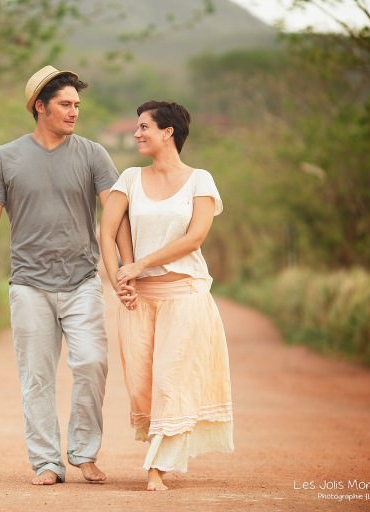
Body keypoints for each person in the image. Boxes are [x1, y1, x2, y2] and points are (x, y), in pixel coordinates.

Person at [0, 65, 119, 485]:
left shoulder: (93, 154)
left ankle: (84, 452)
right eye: (65, 104)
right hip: (29, 286)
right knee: (36, 377)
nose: (74, 112)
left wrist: (123, 269)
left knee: (92, 363)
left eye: (77, 105)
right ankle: (47, 462)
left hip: (82, 282)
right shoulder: (6, 157)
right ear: (40, 107)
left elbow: (113, 215)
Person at [100, 100, 234, 491]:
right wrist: (119, 280)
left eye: (144, 127)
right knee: (142, 386)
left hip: (184, 294)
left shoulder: (200, 181)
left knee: (170, 381)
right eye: (137, 127)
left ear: (167, 133)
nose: (136, 133)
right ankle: (159, 452)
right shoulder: (128, 178)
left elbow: (195, 237)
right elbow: (107, 232)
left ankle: (156, 468)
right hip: (139, 299)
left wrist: (140, 265)